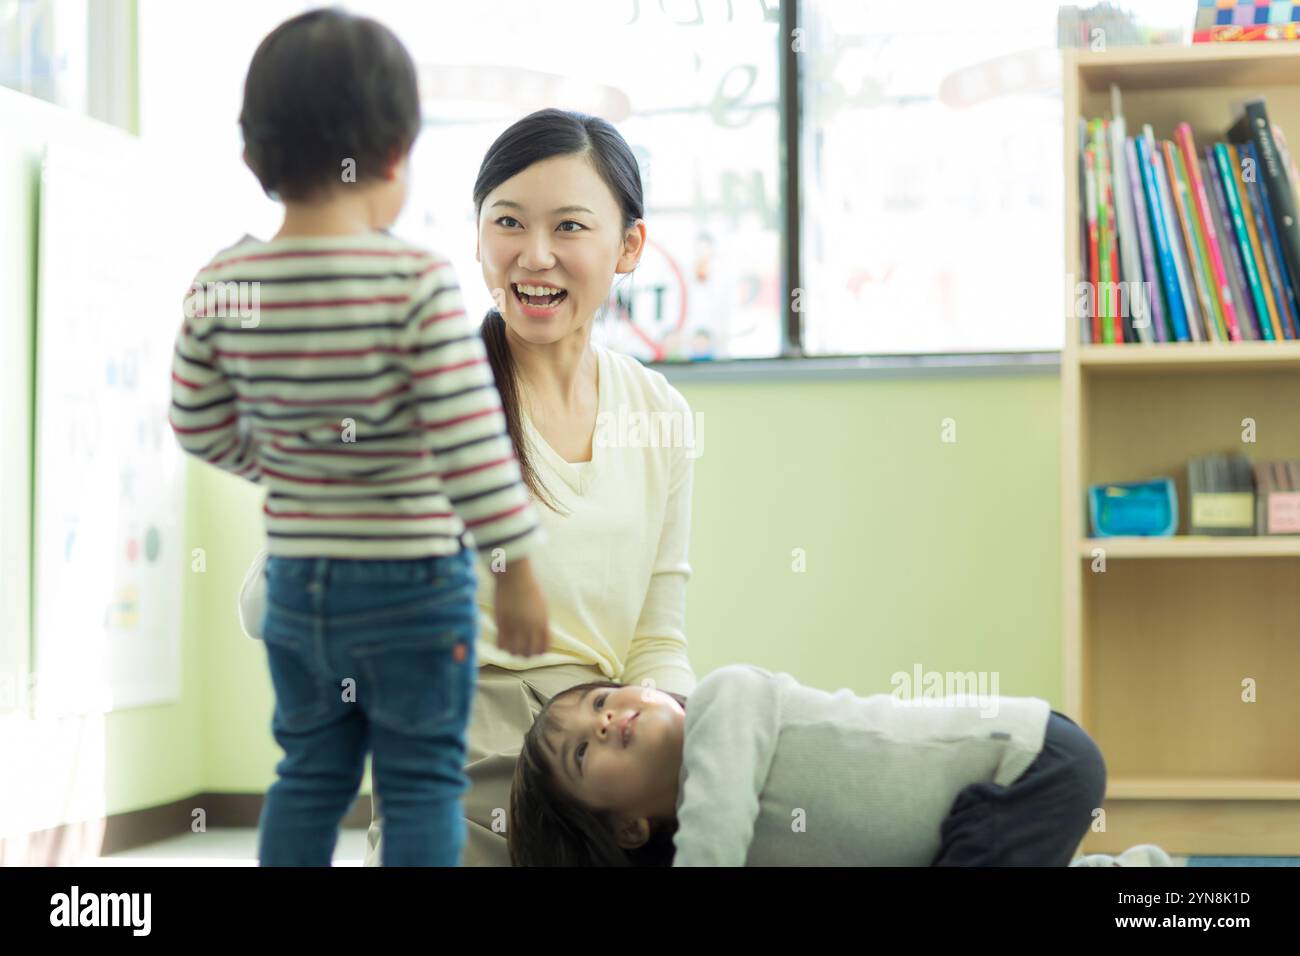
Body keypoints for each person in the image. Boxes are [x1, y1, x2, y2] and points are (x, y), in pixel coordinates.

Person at [238, 107, 700, 866]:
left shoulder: (662, 415)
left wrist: (689, 756)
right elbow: (263, 606)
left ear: (630, 245)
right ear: (478, 236)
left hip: (601, 765)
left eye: (572, 228)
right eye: (509, 222)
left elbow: (657, 638)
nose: (536, 256)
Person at [171, 8, 549, 866]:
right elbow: (470, 446)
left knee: (308, 773)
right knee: (419, 783)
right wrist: (517, 568)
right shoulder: (413, 281)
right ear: (395, 154)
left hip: (298, 585)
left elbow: (195, 423)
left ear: (252, 157)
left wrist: (286, 463)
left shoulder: (224, 282)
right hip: (413, 590)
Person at [508, 664, 1171, 867]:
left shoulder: (726, 700)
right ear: (627, 830)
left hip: (1026, 761)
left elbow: (713, 830)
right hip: (972, 823)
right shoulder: (746, 846)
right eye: (582, 752)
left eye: (601, 697)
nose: (604, 718)